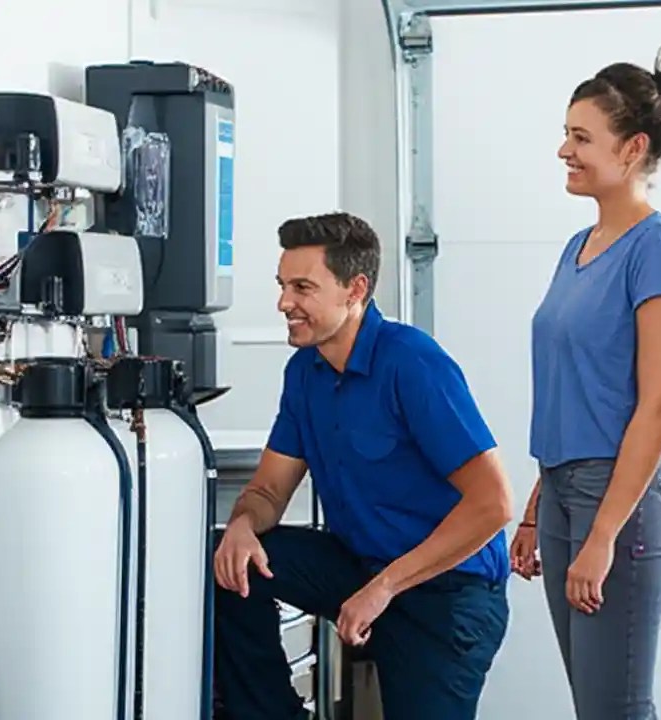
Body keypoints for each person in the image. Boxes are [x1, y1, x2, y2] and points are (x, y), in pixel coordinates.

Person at [211, 212, 514, 720]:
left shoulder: (411, 362)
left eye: (303, 287)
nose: (285, 302)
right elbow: (267, 492)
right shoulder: (304, 372)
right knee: (229, 561)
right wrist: (242, 525)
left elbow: (494, 504)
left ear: (355, 289)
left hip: (445, 594)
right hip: (361, 568)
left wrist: (383, 589)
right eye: (283, 285)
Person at [507, 39, 661, 720]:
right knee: (594, 705)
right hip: (566, 488)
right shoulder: (578, 247)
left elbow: (660, 405)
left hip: (625, 496)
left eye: (581, 136)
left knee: (614, 708)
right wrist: (539, 504)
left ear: (631, 149)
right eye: (565, 133)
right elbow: (578, 388)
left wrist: (603, 536)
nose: (564, 149)